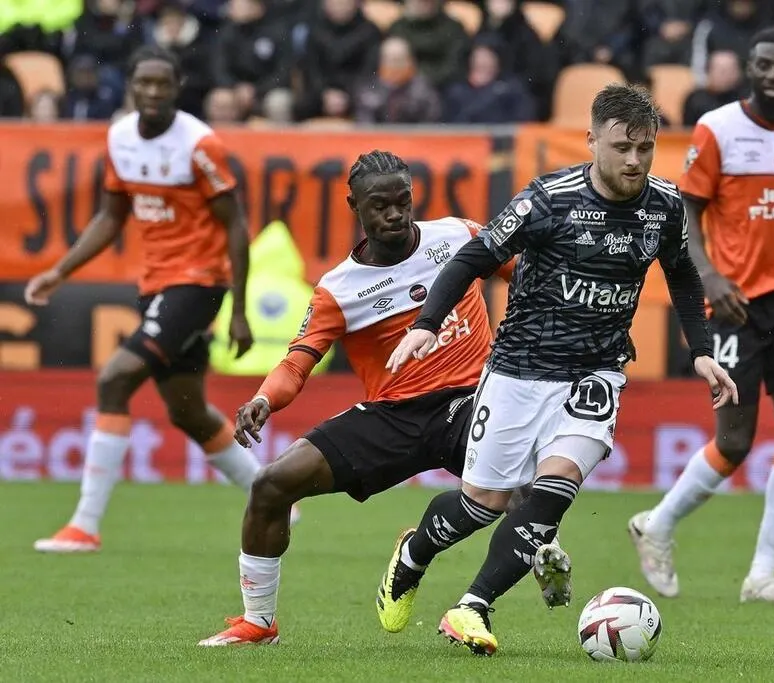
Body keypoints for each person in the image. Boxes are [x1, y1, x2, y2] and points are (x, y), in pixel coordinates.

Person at [376, 83, 738, 656]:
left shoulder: (665, 206)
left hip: (595, 373)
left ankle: (472, 607)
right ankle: (413, 553)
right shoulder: (549, 199)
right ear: (592, 140)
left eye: (646, 148)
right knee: (480, 506)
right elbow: (475, 256)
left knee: (555, 489)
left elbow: (683, 275)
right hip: (518, 371)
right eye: (623, 147)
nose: (636, 160)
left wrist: (700, 349)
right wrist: (426, 323)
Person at [197, 150, 545, 647]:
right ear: (353, 205)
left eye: (403, 202)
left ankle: (482, 595)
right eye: (380, 205)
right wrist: (263, 400)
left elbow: (528, 278)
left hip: (473, 397)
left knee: (526, 491)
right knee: (272, 484)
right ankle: (259, 622)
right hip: (395, 416)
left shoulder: (459, 236)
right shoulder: (338, 289)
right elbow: (299, 361)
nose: (395, 215)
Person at [627, 26, 774, 605]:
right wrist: (709, 275)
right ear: (751, 68)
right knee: (734, 441)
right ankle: (656, 524)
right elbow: (686, 211)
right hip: (737, 304)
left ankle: (763, 575)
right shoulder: (718, 129)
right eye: (760, 64)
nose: (769, 74)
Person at [25, 45, 273, 554]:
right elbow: (111, 217)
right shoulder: (119, 137)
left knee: (114, 378)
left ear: (178, 87)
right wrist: (58, 270)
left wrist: (241, 310)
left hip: (199, 283)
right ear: (132, 86)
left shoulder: (200, 145)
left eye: (164, 84)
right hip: (156, 284)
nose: (154, 92)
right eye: (145, 83)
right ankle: (271, 494)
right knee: (188, 412)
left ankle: (84, 525)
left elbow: (237, 226)